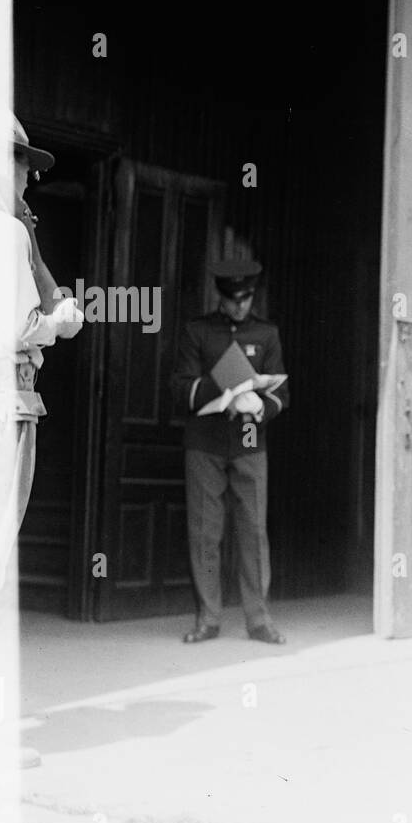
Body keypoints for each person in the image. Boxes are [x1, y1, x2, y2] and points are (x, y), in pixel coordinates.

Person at [0, 113, 85, 626]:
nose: (28, 177)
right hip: (2, 398)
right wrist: (60, 320)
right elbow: (22, 326)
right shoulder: (5, 231)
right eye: (20, 162)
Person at [171, 259, 289, 644]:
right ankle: (208, 617)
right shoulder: (198, 331)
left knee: (253, 530)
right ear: (220, 296)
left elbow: (280, 394)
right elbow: (182, 388)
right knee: (206, 532)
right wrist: (227, 386)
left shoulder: (266, 333)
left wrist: (259, 405)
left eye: (246, 298)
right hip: (205, 440)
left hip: (250, 439)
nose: (239, 305)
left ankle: (259, 619)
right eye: (232, 298)